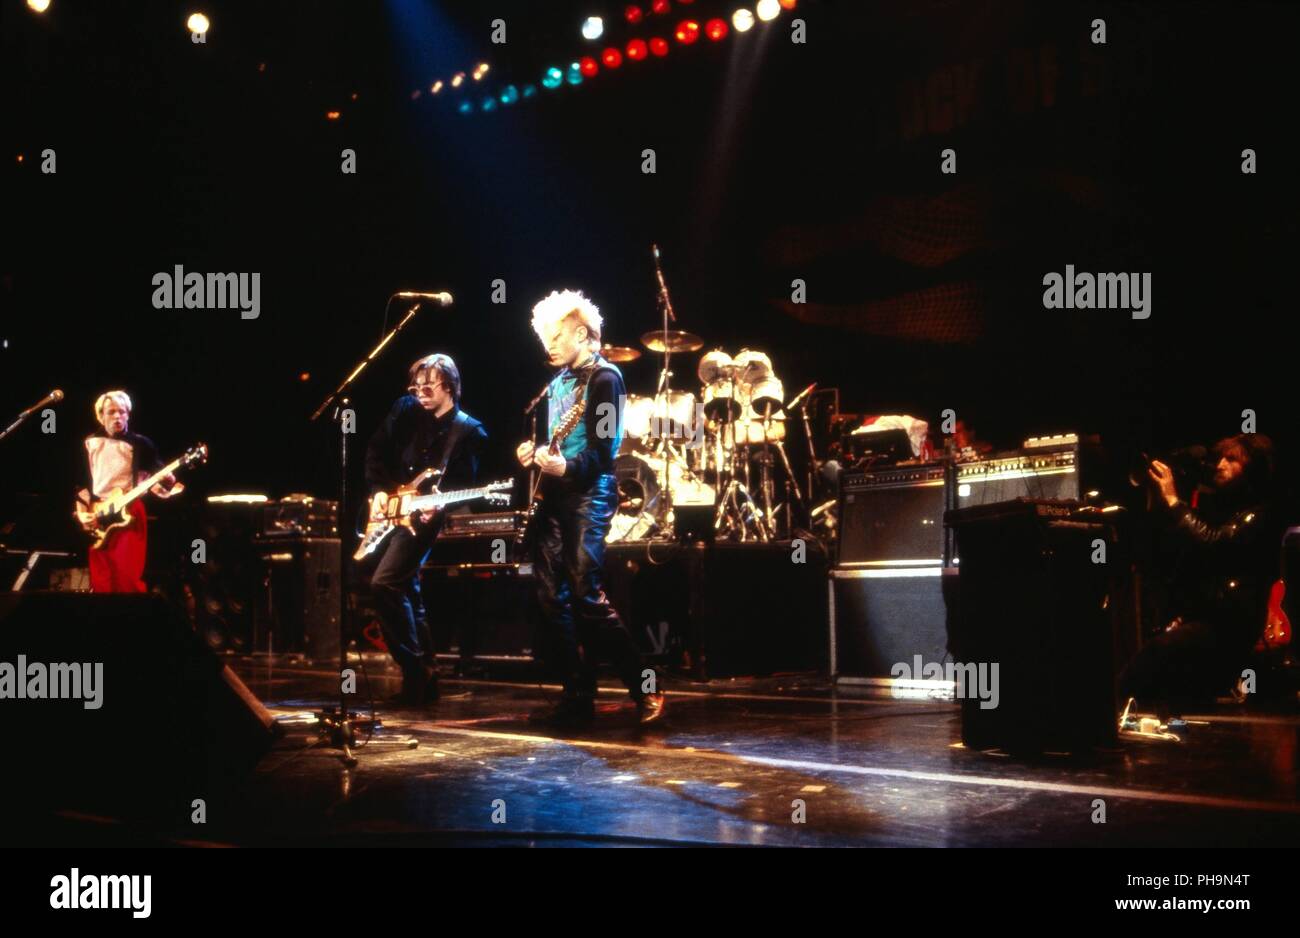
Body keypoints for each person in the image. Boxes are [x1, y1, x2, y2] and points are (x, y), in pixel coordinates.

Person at [515, 289, 666, 726]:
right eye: (545, 338)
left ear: (581, 334)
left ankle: (646, 687)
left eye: (556, 336)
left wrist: (566, 466)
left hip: (589, 493)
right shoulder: (558, 383)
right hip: (554, 494)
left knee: (585, 592)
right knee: (550, 595)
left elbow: (603, 452)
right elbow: (556, 441)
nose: (549, 345)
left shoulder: (606, 379)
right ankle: (577, 693)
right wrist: (533, 452)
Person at [1119, 433, 1283, 722]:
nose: (1220, 465)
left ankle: (1100, 712)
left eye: (1232, 460)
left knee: (1157, 654)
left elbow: (1214, 543)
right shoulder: (1221, 509)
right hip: (1211, 618)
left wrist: (1173, 501)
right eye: (1220, 458)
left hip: (1231, 623)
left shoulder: (1260, 515)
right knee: (1165, 675)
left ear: (1253, 469)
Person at [363, 353, 486, 706]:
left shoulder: (469, 430)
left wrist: (439, 504)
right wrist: (379, 490)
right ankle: (424, 680)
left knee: (385, 583)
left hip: (426, 519)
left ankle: (415, 671)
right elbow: (375, 450)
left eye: (428, 387)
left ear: (449, 387)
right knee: (406, 589)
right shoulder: (405, 410)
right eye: (415, 387)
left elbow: (463, 485)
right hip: (392, 509)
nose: (420, 394)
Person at [74, 391, 184, 593]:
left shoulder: (141, 444)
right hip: (99, 514)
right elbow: (81, 485)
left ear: (128, 415)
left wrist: (169, 481)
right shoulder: (90, 443)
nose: (117, 416)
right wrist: (82, 514)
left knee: (127, 578)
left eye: (122, 412)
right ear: (100, 416)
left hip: (130, 511)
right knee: (101, 581)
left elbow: (159, 478)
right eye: (111, 412)